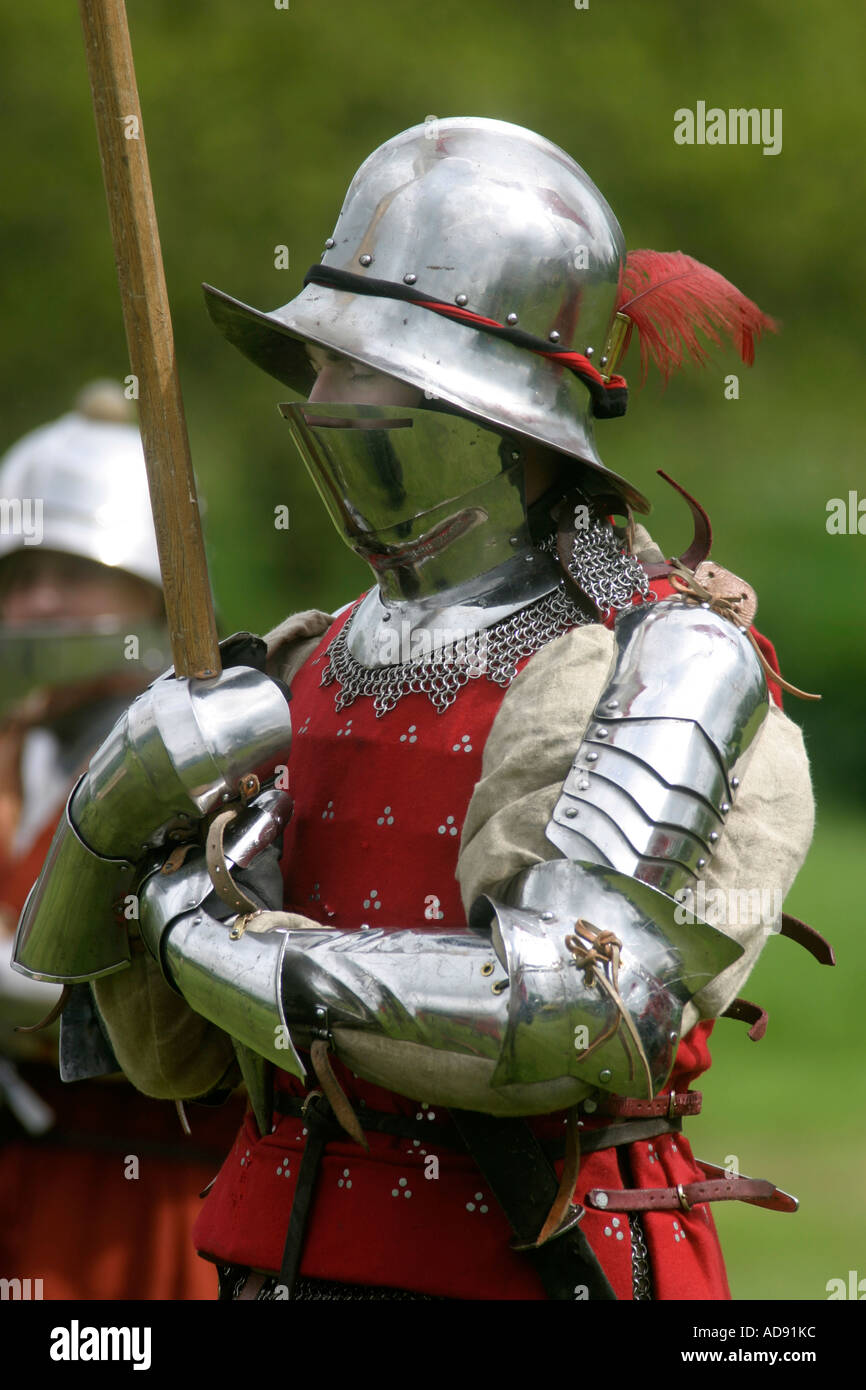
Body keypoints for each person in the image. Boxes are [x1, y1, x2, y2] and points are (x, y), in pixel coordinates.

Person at [13, 120, 822, 1301]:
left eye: (356, 364)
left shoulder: (656, 660)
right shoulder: (307, 660)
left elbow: (562, 1013)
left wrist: (200, 938)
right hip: (267, 1262)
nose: (318, 392)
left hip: (524, 1266)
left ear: (478, 402)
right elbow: (141, 1043)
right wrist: (117, 809)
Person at [0, 382, 243, 1300]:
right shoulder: (8, 746)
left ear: (148, 583)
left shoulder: (204, 765)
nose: (39, 603)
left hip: (149, 1209)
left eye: (70, 573)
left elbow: (181, 1004)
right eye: (21, 579)